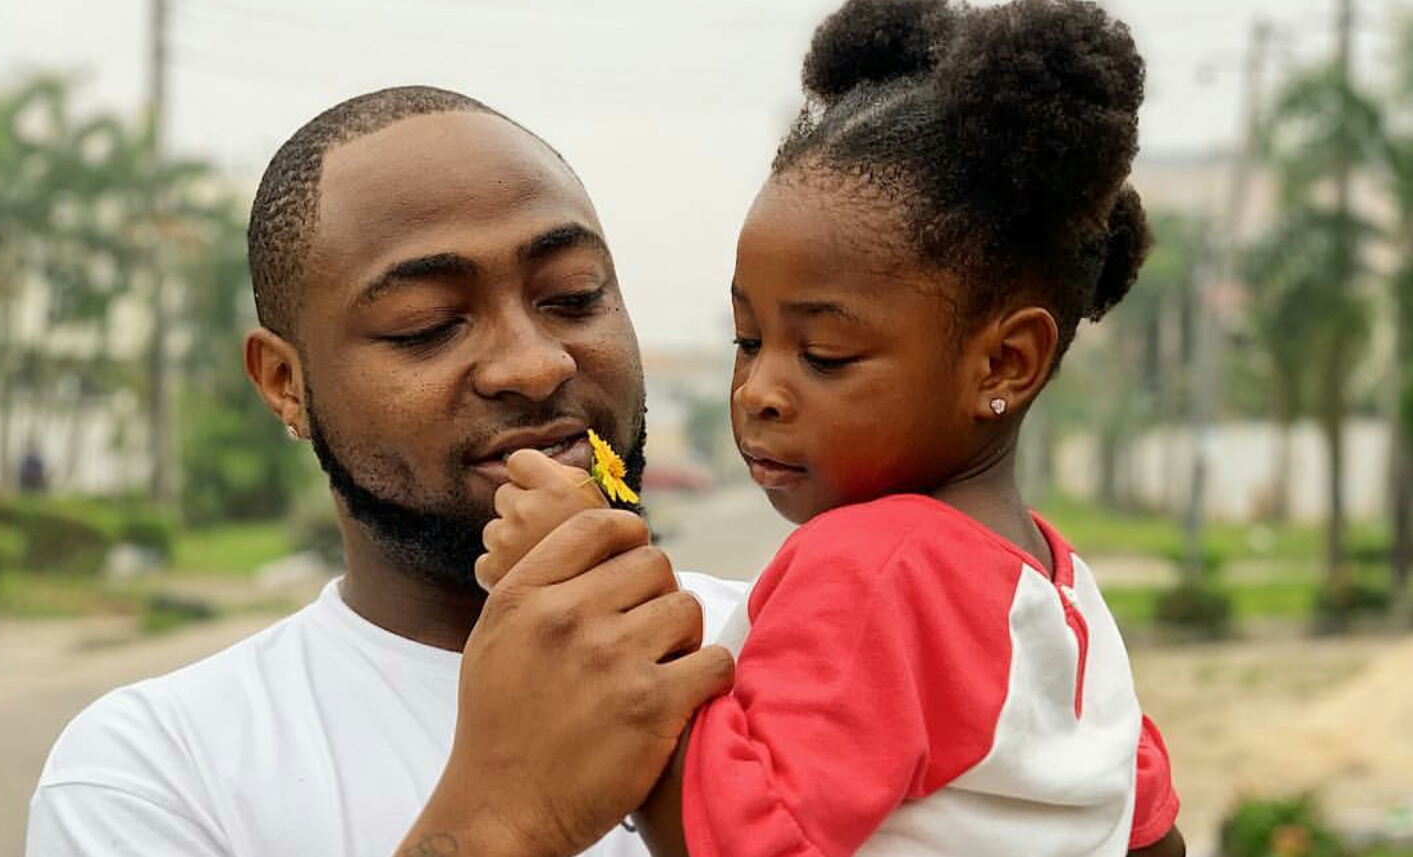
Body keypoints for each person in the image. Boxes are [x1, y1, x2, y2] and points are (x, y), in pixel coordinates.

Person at [477, 0, 1186, 855]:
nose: (757, 391)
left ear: (1003, 363)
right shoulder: (1058, 588)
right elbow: (1153, 832)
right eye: (747, 340)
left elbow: (727, 837)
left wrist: (574, 580)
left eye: (824, 354)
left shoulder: (878, 564)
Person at [26, 86, 742, 857]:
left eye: (573, 296)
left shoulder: (783, 640)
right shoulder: (154, 773)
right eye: (426, 326)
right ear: (285, 383)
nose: (536, 364)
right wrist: (509, 815)